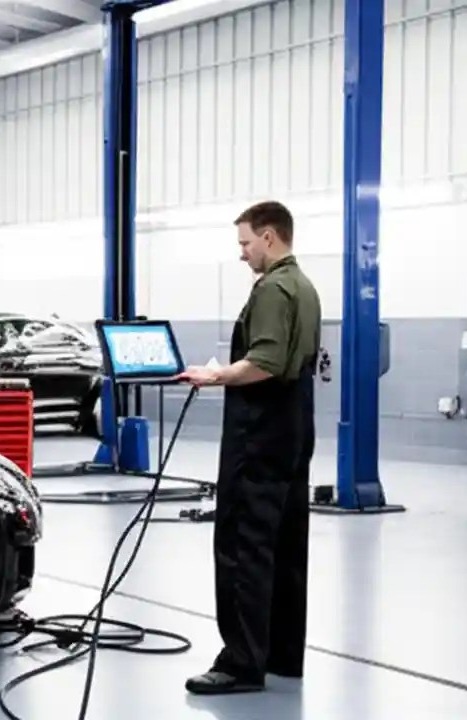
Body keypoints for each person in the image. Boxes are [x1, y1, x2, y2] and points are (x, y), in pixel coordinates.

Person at [176, 200, 321, 695]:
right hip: (294, 427)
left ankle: (241, 662)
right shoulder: (305, 286)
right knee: (285, 541)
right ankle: (280, 652)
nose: (241, 254)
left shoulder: (273, 288)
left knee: (243, 543)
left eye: (244, 243)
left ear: (270, 237)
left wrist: (212, 374)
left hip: (259, 429)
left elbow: (264, 361)